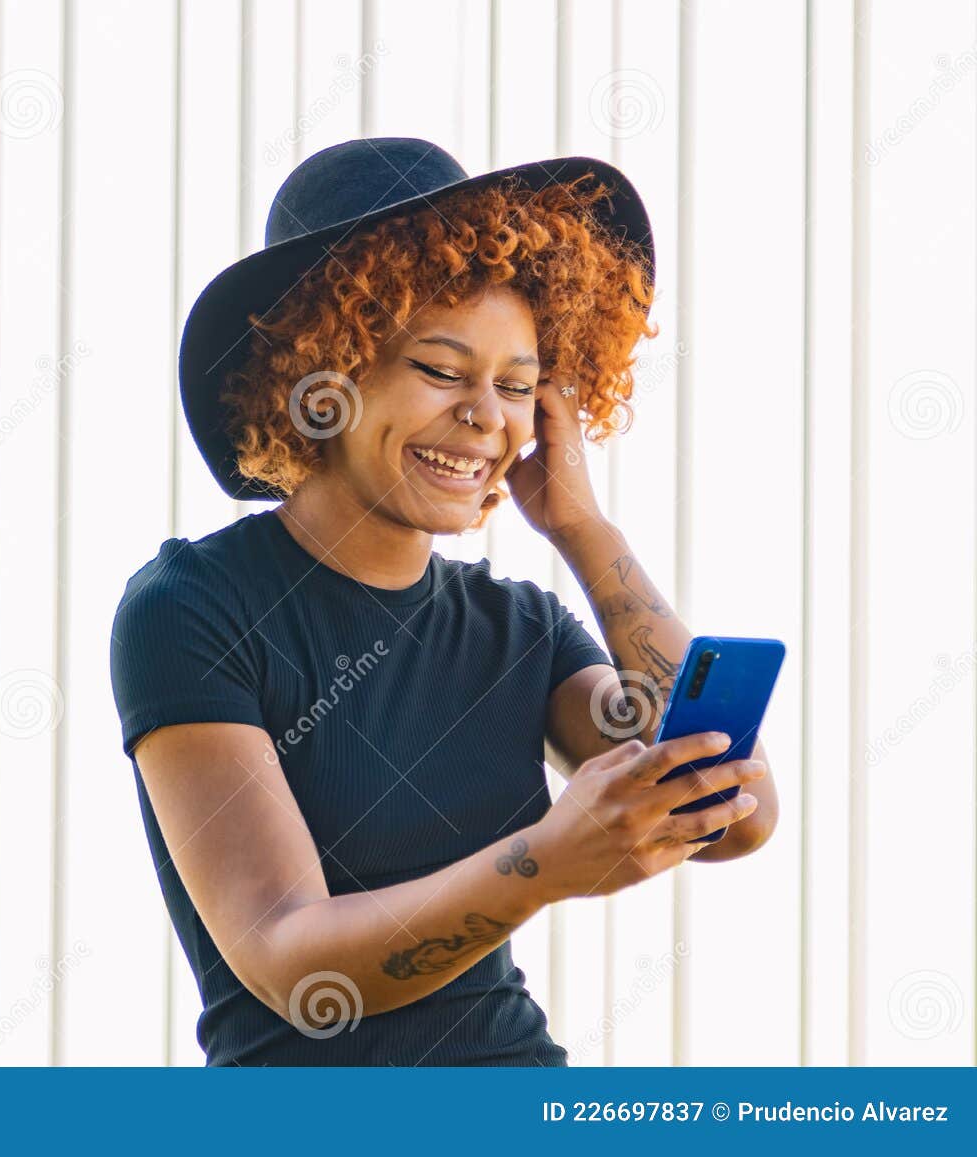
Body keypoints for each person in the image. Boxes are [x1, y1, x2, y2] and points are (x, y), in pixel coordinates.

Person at [109, 138, 777, 1066]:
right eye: (439, 369)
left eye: (517, 385)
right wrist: (541, 862)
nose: (487, 416)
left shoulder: (521, 630)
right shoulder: (192, 608)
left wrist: (583, 528)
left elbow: (736, 814)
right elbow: (291, 961)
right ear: (324, 374)